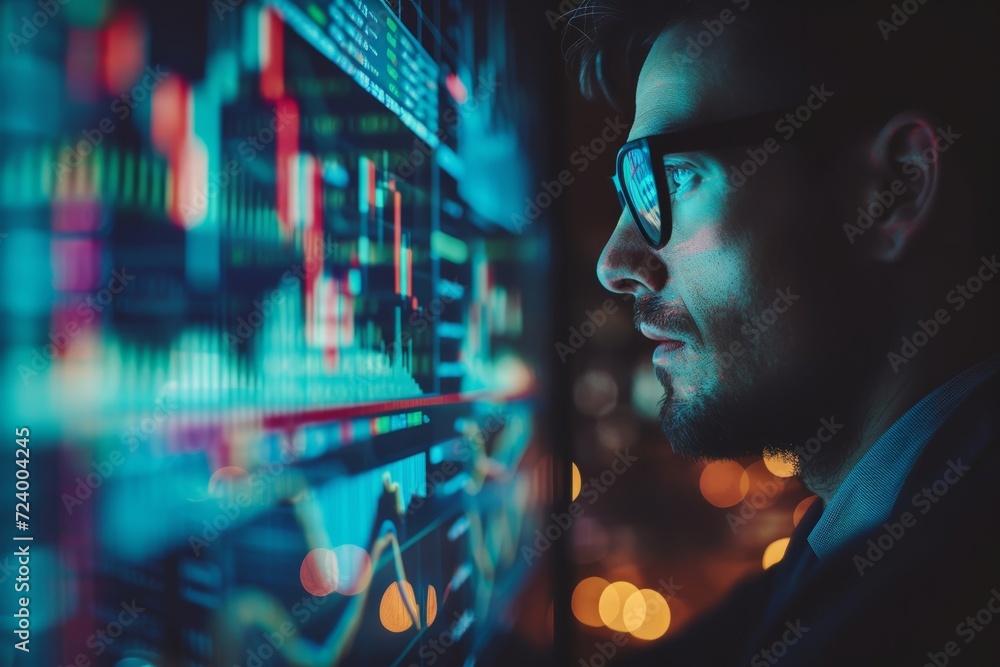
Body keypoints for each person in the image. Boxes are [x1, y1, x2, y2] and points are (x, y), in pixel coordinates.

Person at [564, 0, 1000, 663]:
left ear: (895, 189)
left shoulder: (933, 600)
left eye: (672, 178)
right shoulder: (858, 536)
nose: (614, 263)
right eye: (630, 194)